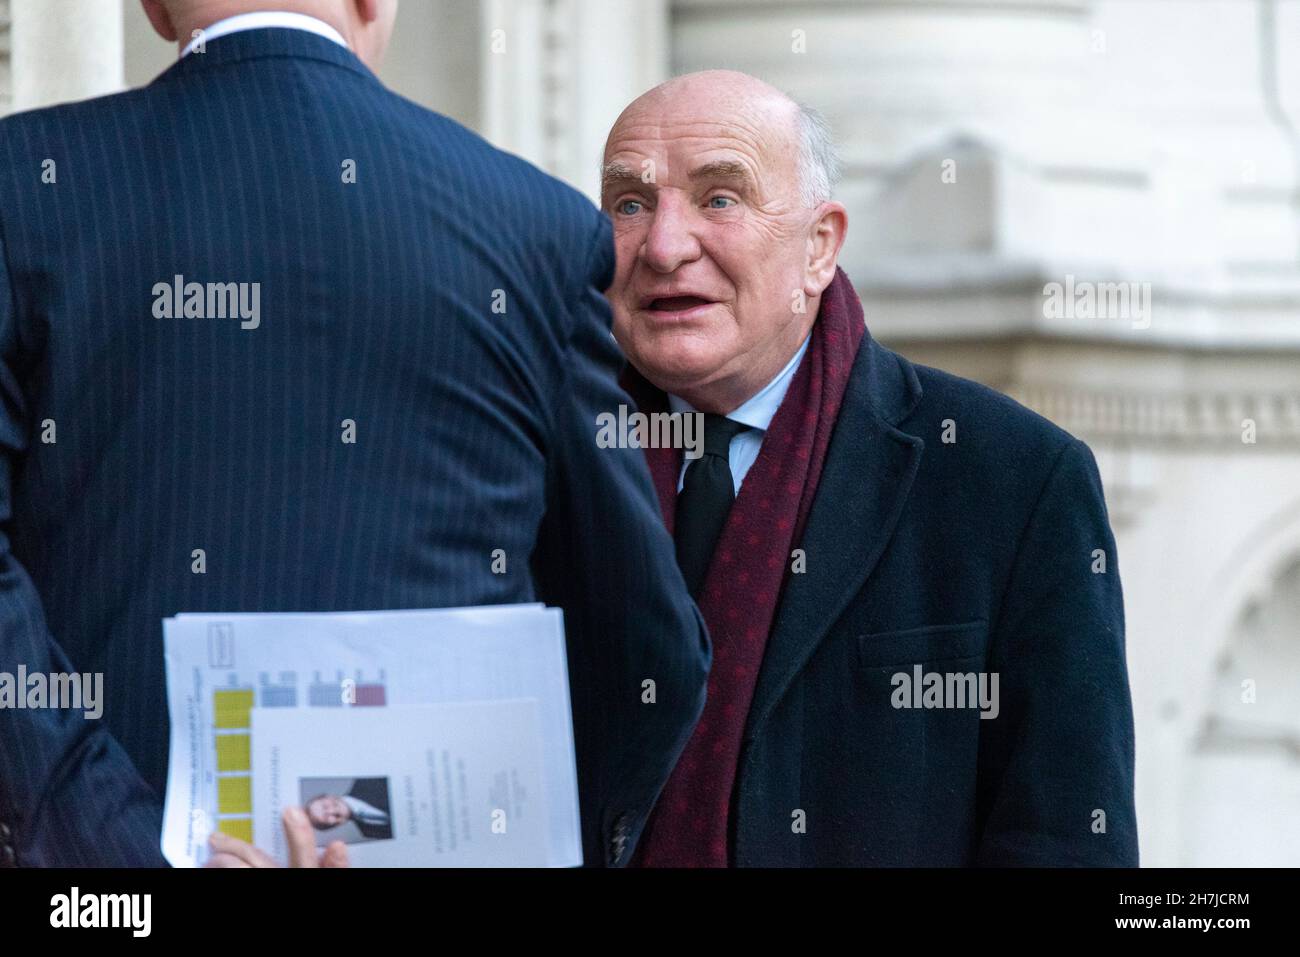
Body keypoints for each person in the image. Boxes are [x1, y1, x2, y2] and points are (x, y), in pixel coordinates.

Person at [0, 0, 708, 868]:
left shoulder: (22, 185)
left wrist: (115, 858)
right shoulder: (537, 226)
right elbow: (648, 647)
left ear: (151, 7)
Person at [601, 70, 1138, 866]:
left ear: (819, 246)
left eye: (720, 198)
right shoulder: (541, 459)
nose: (664, 245)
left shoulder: (1011, 480)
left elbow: (1064, 839)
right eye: (630, 203)